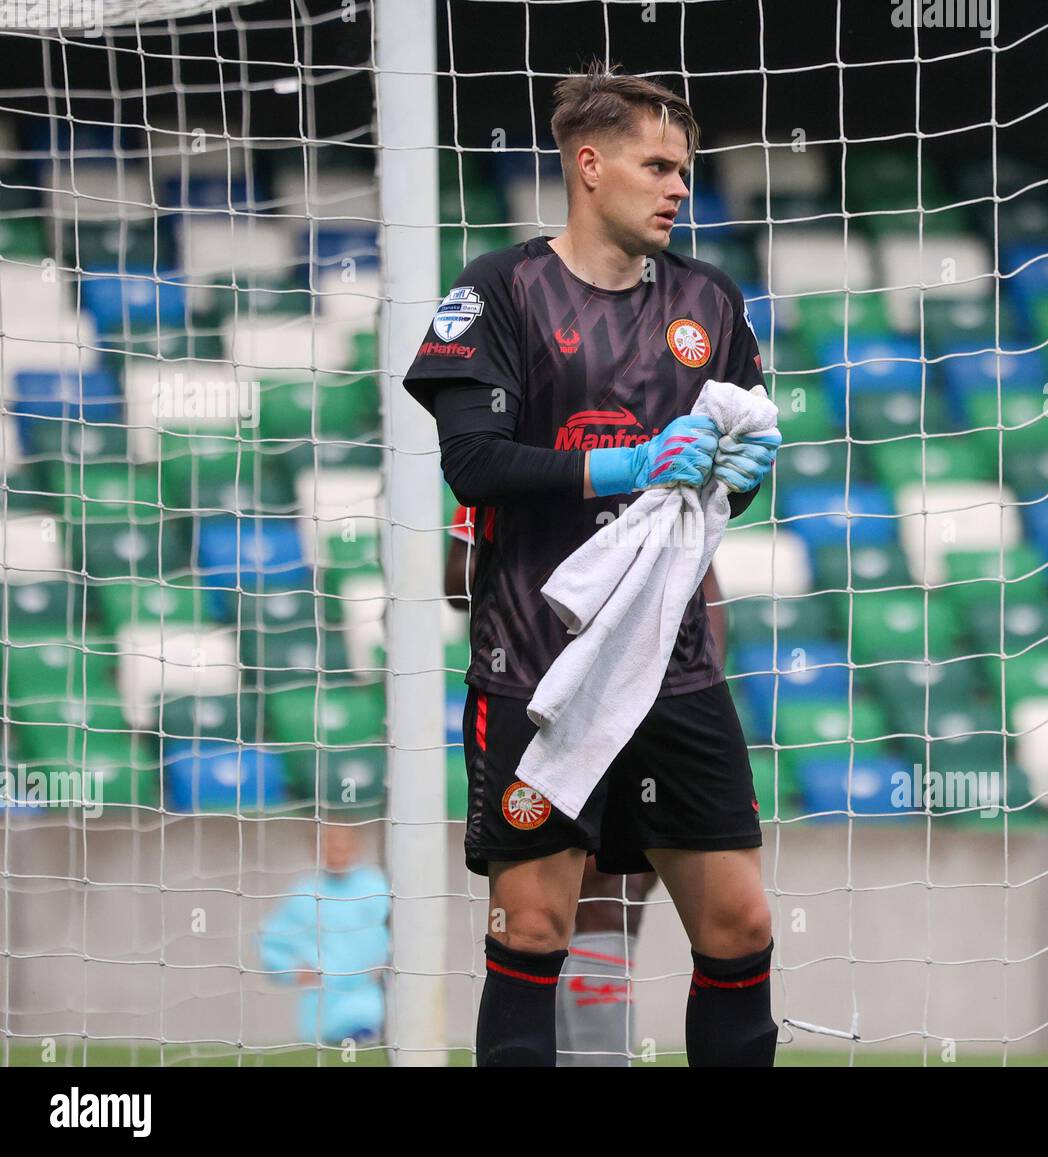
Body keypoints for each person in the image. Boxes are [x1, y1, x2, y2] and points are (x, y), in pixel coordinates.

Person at [404, 63, 781, 1067]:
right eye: (656, 164)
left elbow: (713, 495)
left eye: (683, 169)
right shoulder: (495, 291)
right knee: (532, 928)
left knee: (739, 922)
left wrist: (740, 476)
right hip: (538, 670)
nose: (676, 187)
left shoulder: (711, 300)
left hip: (675, 669)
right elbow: (474, 464)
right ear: (587, 163)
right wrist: (625, 459)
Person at [445, 504, 732, 1065]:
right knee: (540, 910)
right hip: (542, 703)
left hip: (648, 701)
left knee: (618, 893)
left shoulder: (663, 459)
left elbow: (704, 587)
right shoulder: (517, 448)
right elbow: (456, 581)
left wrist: (685, 682)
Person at [258, 820, 391, 1048]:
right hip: (321, 1004)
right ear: (315, 850)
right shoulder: (305, 893)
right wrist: (291, 970)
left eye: (341, 845)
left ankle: (361, 1031)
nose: (335, 851)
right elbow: (271, 940)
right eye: (328, 844)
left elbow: (407, 934)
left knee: (363, 1037)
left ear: (355, 847)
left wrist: (389, 963)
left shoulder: (377, 888)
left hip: (372, 998)